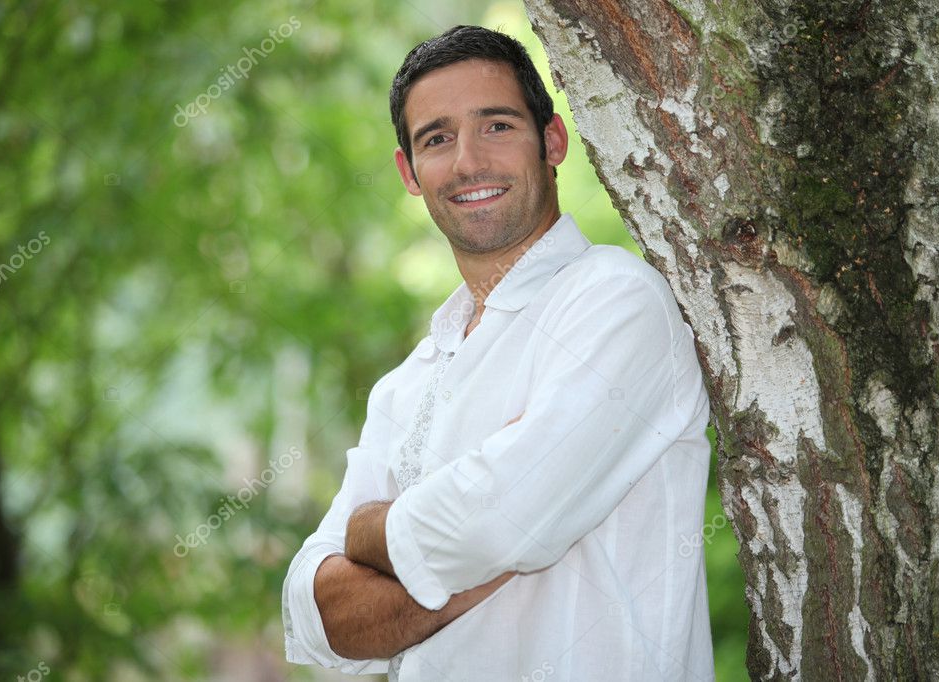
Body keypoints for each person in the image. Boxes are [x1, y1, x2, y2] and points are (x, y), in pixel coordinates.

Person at [282, 24, 714, 681]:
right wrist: (485, 535)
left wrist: (370, 531)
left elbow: (498, 524)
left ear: (552, 140)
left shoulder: (616, 302)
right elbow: (323, 621)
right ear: (408, 172)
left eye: (497, 126)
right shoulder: (402, 387)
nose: (466, 163)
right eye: (436, 138)